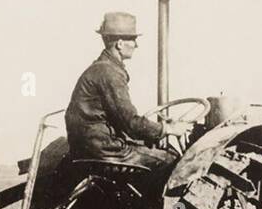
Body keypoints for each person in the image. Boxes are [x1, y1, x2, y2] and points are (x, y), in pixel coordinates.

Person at [64, 11, 190, 173]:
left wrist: (159, 128)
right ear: (120, 43)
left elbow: (120, 119)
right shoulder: (109, 73)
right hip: (104, 151)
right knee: (171, 162)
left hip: (93, 146)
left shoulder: (102, 68)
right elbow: (130, 122)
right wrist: (167, 130)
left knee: (154, 151)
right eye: (133, 39)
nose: (136, 45)